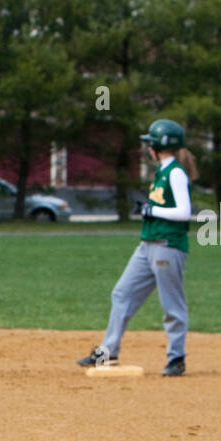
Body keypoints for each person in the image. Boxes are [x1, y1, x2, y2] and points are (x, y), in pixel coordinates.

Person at [77, 118, 198, 377]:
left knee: (172, 305)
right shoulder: (163, 172)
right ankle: (109, 350)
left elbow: (185, 212)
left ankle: (176, 358)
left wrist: (151, 209)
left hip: (167, 245)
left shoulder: (175, 172)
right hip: (147, 245)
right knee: (122, 293)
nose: (147, 148)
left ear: (157, 146)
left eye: (150, 144)